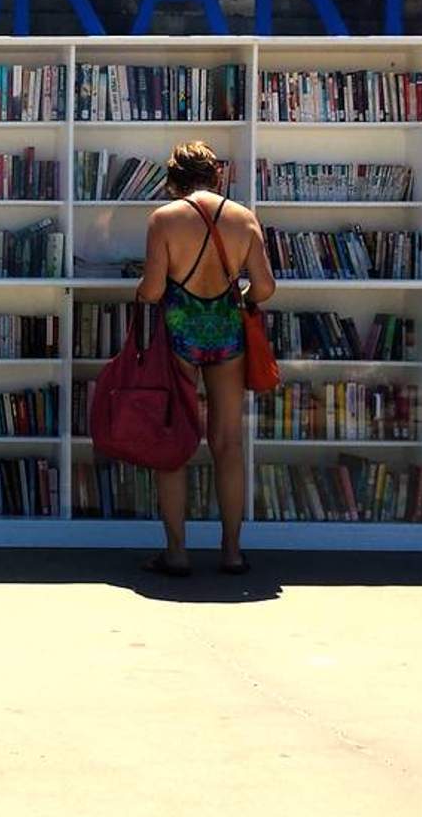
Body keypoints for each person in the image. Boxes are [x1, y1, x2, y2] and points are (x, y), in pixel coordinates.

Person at [133, 141, 275, 577]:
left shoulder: (165, 219)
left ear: (174, 179)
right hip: (228, 335)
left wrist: (139, 291)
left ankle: (176, 553)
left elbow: (154, 291)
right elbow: (266, 289)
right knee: (228, 444)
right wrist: (236, 297)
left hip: (179, 335)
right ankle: (231, 552)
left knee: (174, 444)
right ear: (216, 176)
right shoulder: (243, 218)